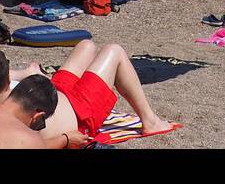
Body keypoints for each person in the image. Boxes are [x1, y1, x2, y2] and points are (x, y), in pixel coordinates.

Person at [40, 40, 174, 140]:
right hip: (79, 114)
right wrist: (67, 139)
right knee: (114, 51)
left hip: (54, 94)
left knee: (86, 46)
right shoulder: (22, 137)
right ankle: (151, 122)